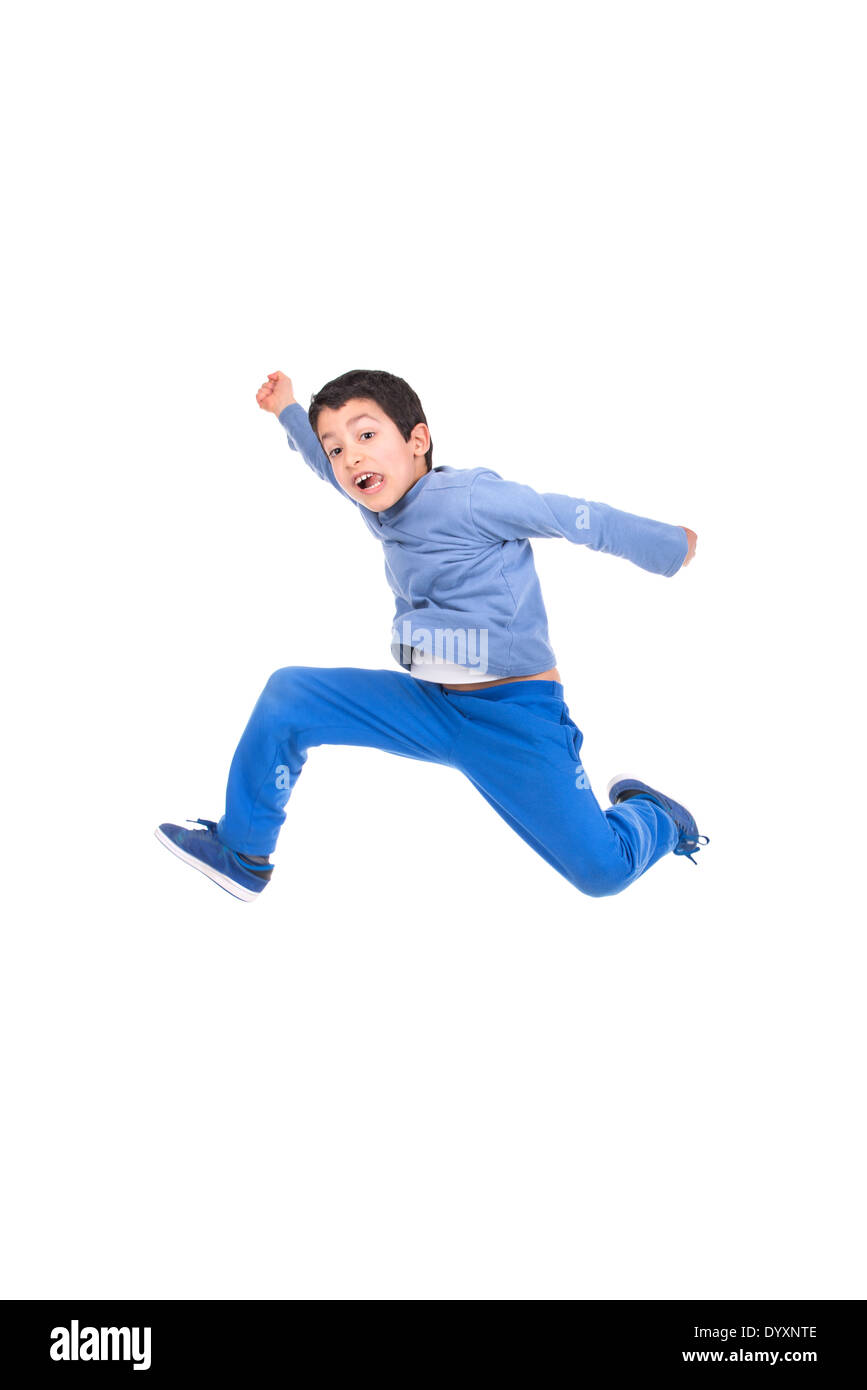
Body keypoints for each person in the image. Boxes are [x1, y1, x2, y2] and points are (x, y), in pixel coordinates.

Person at [155, 367, 707, 901]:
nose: (352, 459)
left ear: (418, 440)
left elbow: (571, 516)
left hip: (514, 712)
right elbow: (321, 461)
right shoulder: (377, 501)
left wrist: (669, 546)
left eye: (367, 435)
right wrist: (286, 409)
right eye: (339, 449)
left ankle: (653, 816)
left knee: (602, 874)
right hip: (435, 704)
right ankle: (244, 853)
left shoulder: (471, 498)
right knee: (288, 695)